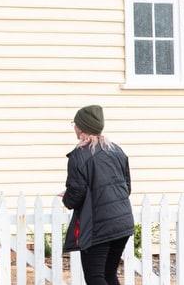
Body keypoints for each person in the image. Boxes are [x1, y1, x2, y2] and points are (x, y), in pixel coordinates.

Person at [62, 105, 133, 285]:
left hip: (98, 226)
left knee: (95, 278)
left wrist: (66, 197)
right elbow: (126, 187)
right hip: (122, 222)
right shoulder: (116, 150)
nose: (75, 128)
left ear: (82, 128)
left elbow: (75, 195)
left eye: (75, 124)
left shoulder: (79, 155)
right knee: (109, 274)